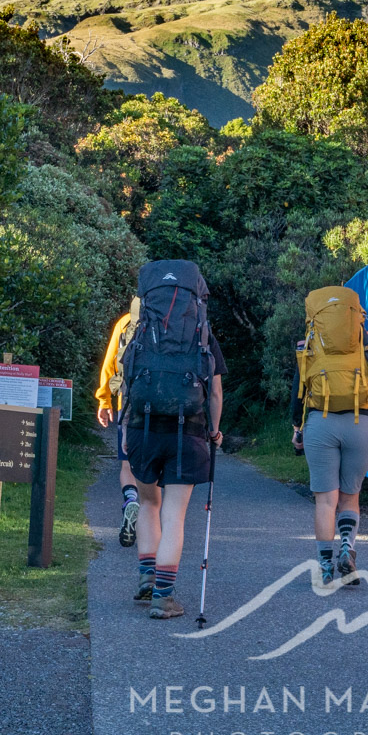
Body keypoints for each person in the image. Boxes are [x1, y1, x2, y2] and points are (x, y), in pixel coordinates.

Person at [119, 260, 225, 620]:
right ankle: (163, 598)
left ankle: (147, 577)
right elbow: (215, 394)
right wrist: (213, 432)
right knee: (174, 514)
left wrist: (125, 430)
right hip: (189, 432)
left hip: (143, 428)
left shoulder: (140, 332)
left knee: (149, 503)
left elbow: (128, 385)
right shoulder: (203, 336)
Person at [290, 286, 368, 586]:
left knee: (326, 501)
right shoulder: (367, 348)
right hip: (360, 425)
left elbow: (298, 395)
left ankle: (325, 567)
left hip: (321, 424)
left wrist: (297, 429)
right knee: (350, 497)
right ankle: (346, 548)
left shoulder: (309, 348)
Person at [94, 306, 161, 600]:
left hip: (128, 403)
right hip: (165, 406)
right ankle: (149, 515)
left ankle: (131, 500)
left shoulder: (126, 321)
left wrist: (104, 400)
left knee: (127, 466)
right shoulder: (174, 318)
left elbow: (110, 363)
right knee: (154, 478)